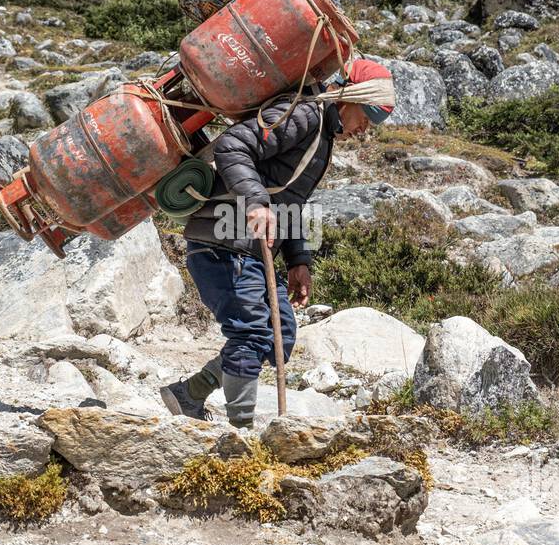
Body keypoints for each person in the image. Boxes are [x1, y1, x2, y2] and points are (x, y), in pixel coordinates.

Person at [160, 59, 396, 427]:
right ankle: (239, 435)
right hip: (223, 244)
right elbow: (233, 147)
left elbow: (289, 200)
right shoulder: (304, 114)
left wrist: (299, 260)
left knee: (279, 335)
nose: (367, 127)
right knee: (253, 333)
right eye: (370, 115)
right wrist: (254, 202)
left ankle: (189, 394)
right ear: (352, 98)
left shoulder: (323, 135)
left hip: (251, 250)